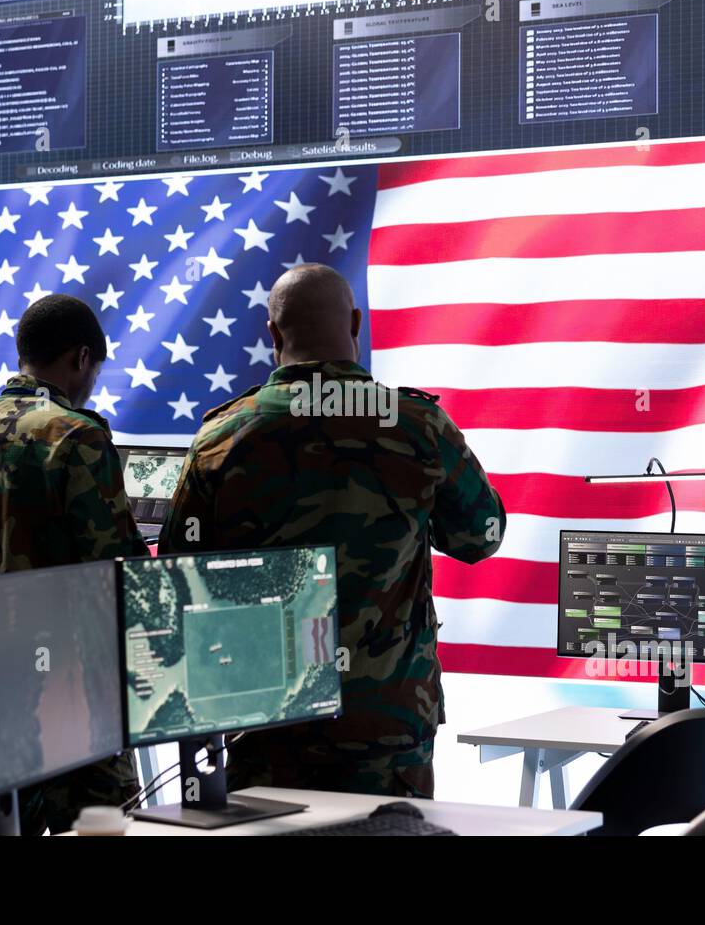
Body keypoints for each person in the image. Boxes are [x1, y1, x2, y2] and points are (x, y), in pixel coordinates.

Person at [157, 263, 505, 797]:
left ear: (273, 334)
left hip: (269, 724)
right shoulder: (416, 425)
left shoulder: (223, 436)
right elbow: (481, 537)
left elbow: (176, 572)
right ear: (355, 324)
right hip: (387, 722)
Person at [0, 293, 147, 834]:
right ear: (81, 358)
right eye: (94, 369)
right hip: (72, 688)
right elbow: (118, 568)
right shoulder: (78, 436)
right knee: (106, 824)